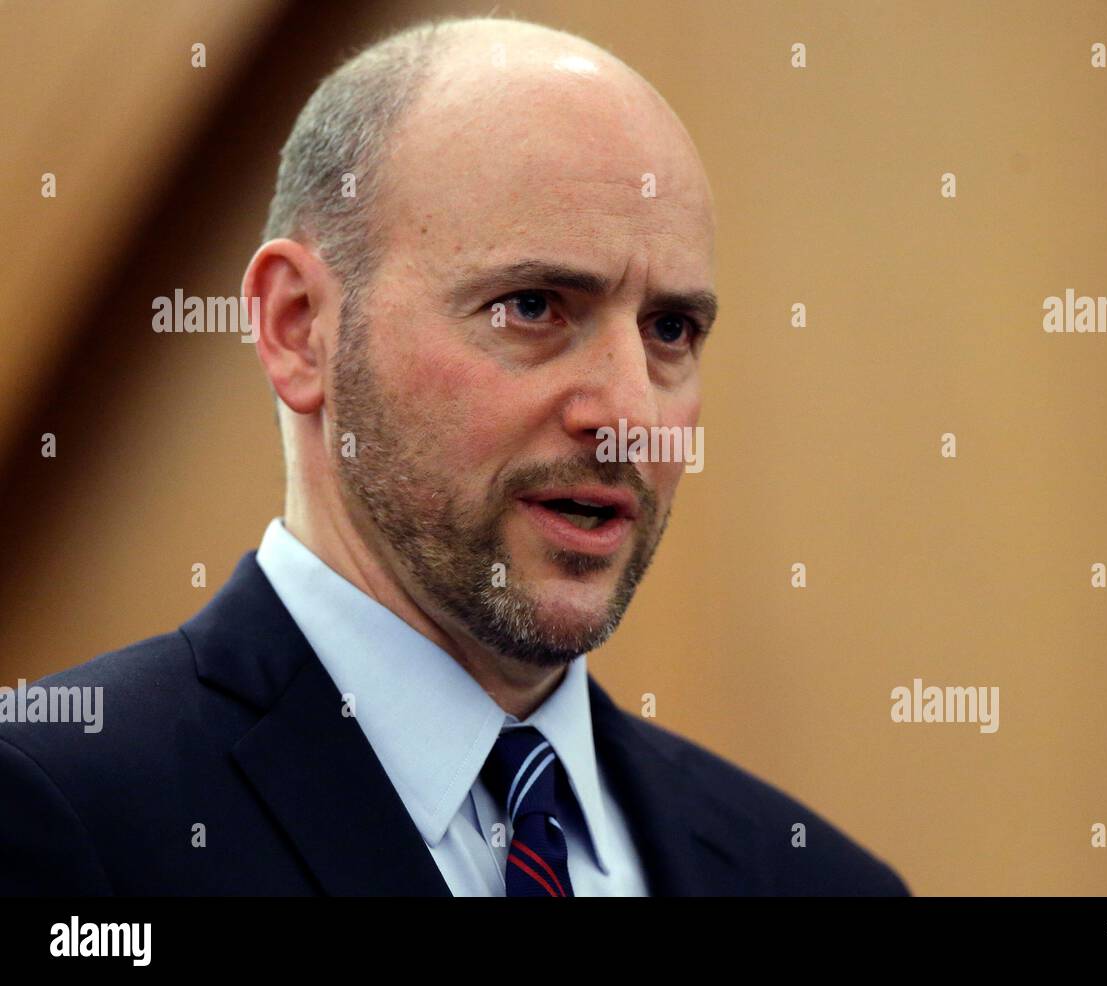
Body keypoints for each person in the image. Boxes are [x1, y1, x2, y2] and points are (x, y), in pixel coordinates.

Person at [0, 15, 907, 896]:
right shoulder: (59, 813)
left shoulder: (812, 879)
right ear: (299, 327)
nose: (631, 414)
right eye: (534, 306)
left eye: (670, 329)